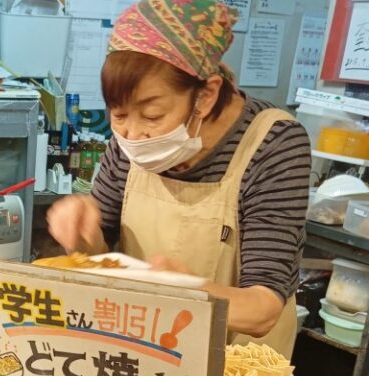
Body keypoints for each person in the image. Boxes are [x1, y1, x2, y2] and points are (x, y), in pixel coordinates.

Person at [46, 0, 311, 357]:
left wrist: (186, 289)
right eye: (119, 114)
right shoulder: (130, 139)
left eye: (153, 115)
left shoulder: (274, 143)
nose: (133, 134)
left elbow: (262, 308)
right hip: (144, 354)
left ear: (206, 94)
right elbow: (103, 256)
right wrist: (81, 234)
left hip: (237, 374)